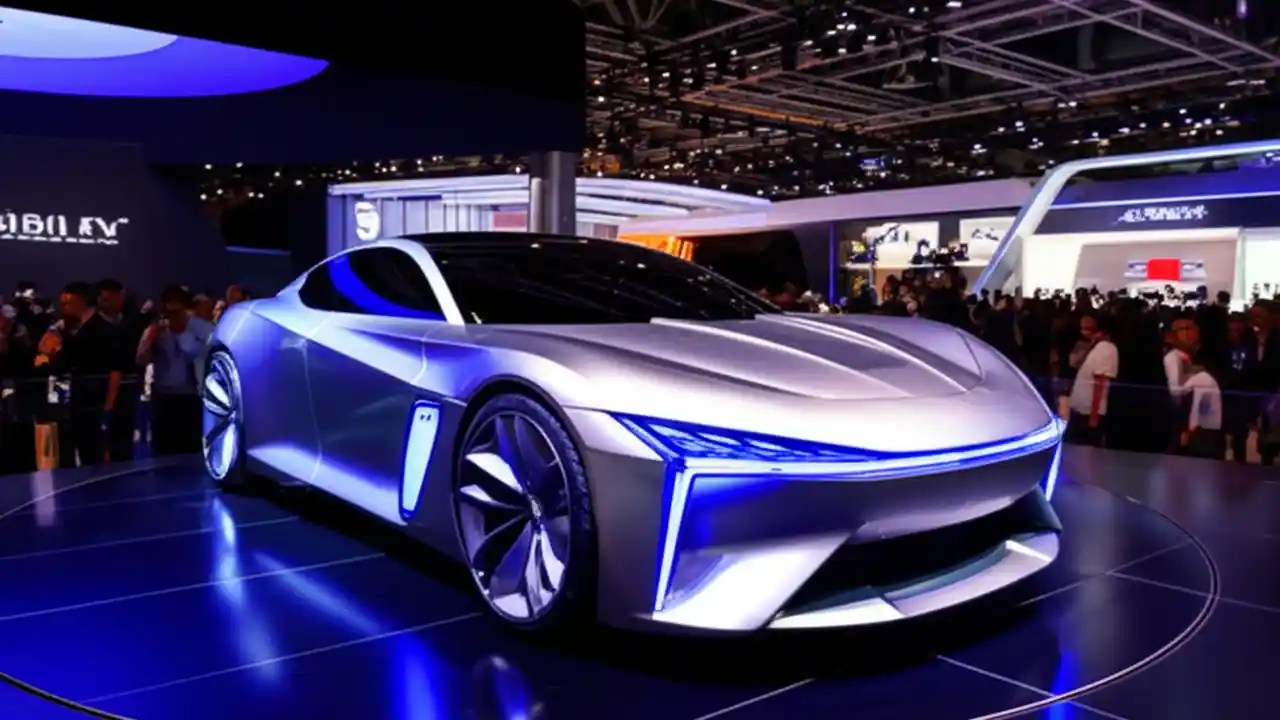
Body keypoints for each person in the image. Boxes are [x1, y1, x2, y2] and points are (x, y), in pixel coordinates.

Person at [37, 282, 124, 467]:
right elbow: (44, 361)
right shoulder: (61, 330)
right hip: (66, 406)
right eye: (62, 303)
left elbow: (115, 369)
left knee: (94, 457)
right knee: (65, 457)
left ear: (81, 302)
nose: (63, 308)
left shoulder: (104, 330)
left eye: (67, 303)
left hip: (93, 406)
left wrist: (109, 404)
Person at [136, 285, 214, 456]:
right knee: (163, 448)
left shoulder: (202, 329)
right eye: (168, 311)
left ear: (186, 309)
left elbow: (197, 355)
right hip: (163, 397)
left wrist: (181, 333)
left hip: (192, 397)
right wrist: (150, 340)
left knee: (190, 449)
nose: (172, 316)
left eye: (176, 311)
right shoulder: (157, 329)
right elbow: (141, 359)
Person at [1066, 313, 1118, 447]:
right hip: (1081, 409)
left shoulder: (1106, 349)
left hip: (1089, 413)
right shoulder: (1096, 347)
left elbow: (1100, 382)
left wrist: (1093, 419)